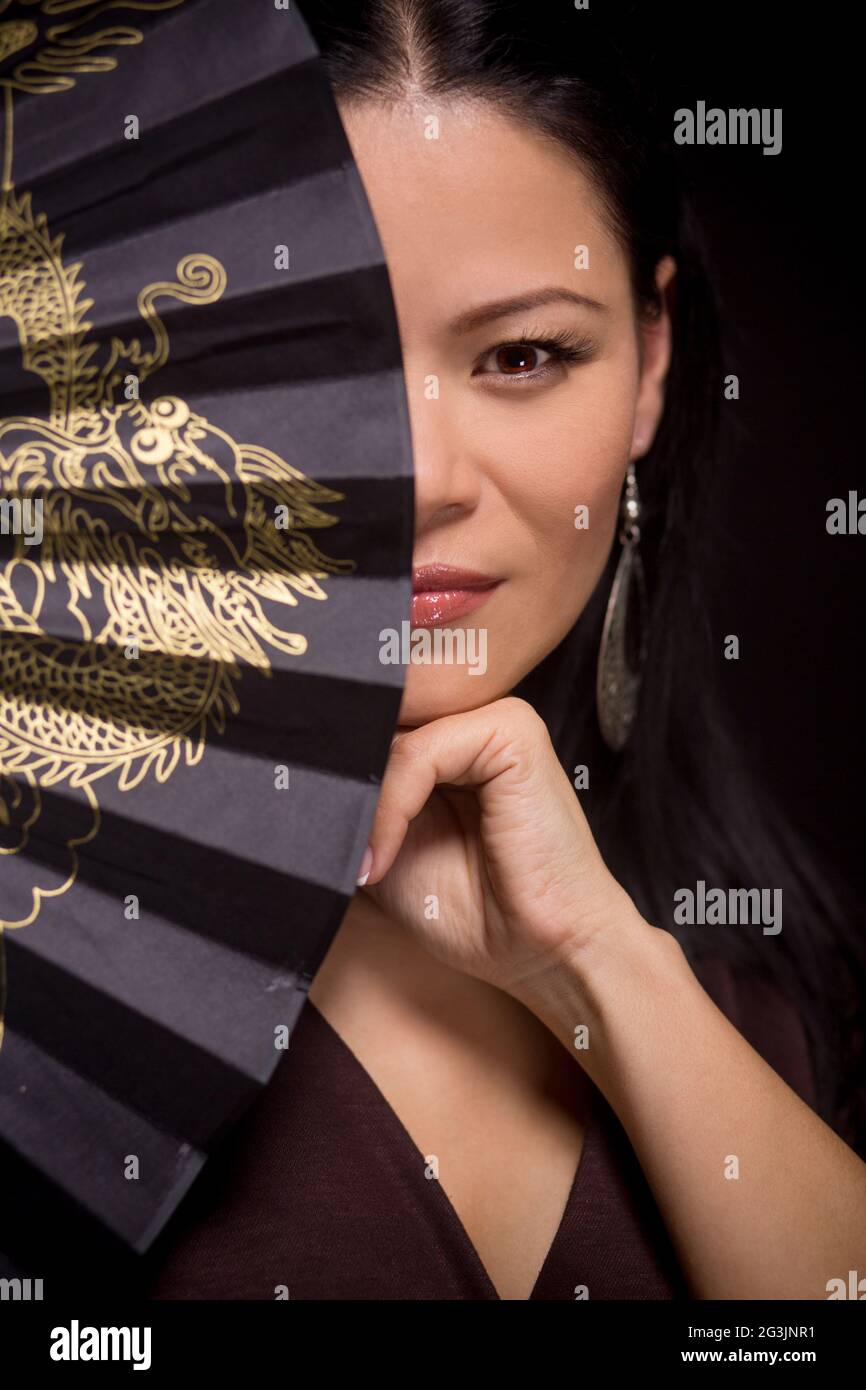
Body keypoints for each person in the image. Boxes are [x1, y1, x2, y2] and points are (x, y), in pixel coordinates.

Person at [143, 0, 866, 1301]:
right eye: (313, 358)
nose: (422, 478)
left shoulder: (764, 976)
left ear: (649, 360)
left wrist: (598, 960)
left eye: (523, 354)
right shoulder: (52, 951)